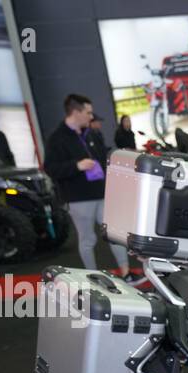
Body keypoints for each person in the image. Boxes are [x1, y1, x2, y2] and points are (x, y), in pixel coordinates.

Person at [44, 93, 134, 281]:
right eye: (88, 112)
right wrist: (76, 166)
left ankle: (126, 272)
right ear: (75, 112)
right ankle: (93, 276)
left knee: (114, 233)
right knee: (87, 240)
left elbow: (102, 157)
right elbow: (51, 168)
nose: (91, 116)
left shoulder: (91, 134)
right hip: (78, 199)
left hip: (101, 194)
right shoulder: (57, 138)